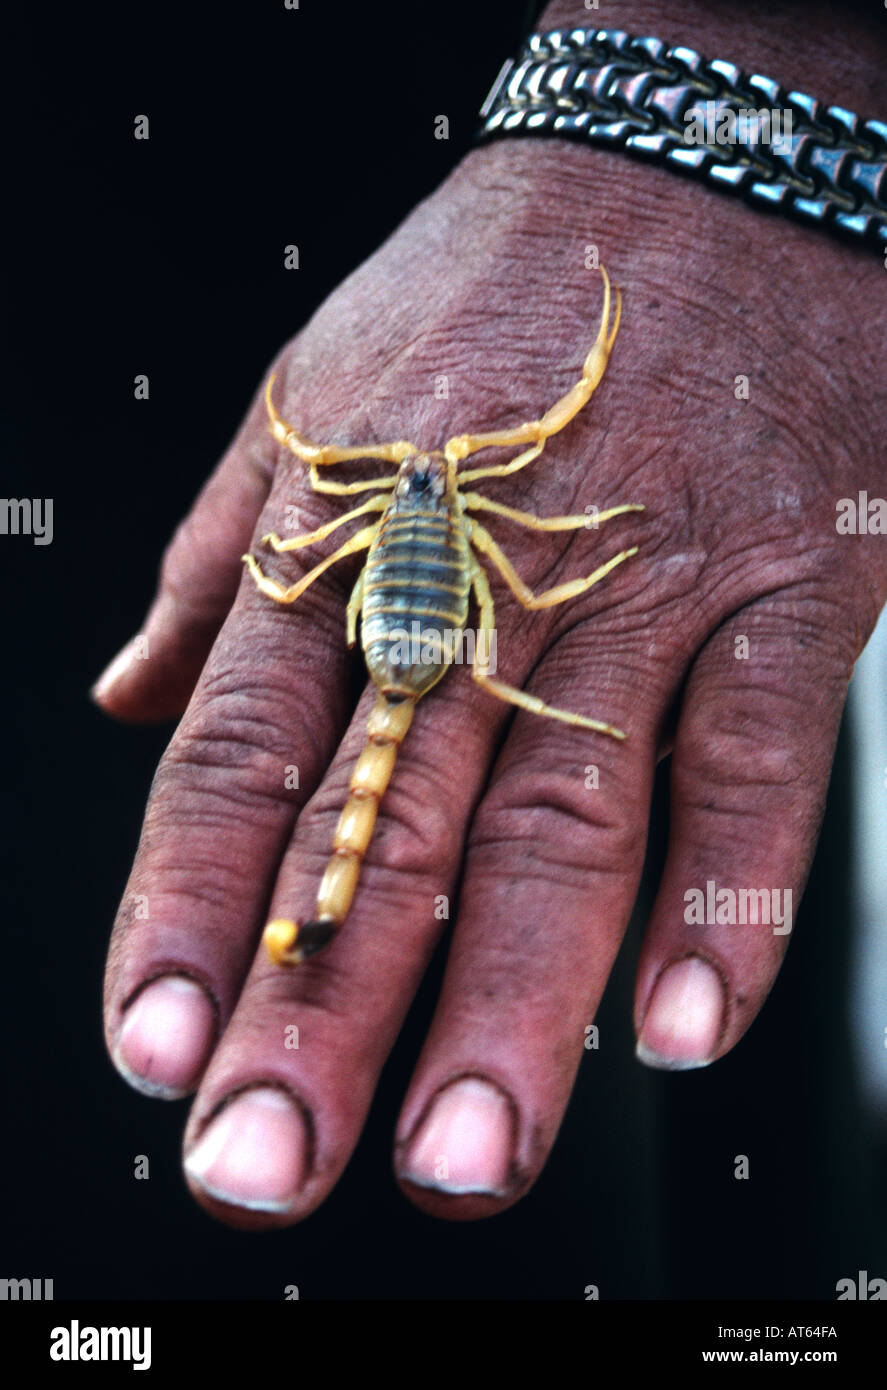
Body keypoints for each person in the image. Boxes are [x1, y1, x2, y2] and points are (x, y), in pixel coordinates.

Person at [93, 0, 887, 1237]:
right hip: (152, 200)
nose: (439, 462)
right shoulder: (457, 501)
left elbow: (541, 569)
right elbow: (505, 548)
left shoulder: (405, 495)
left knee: (626, 691)